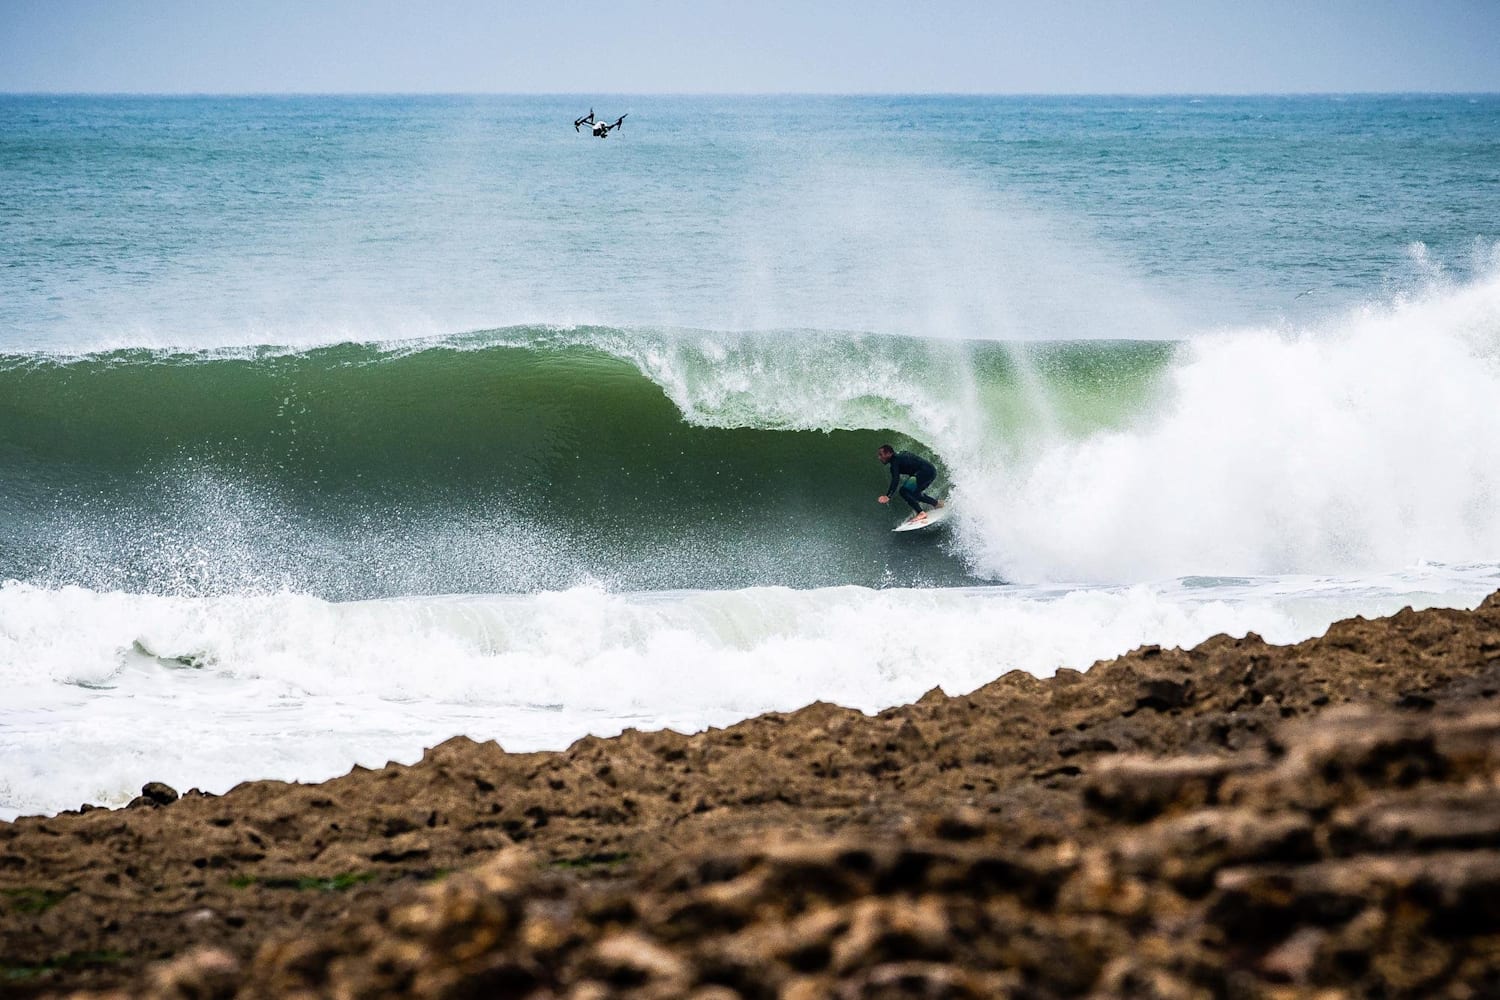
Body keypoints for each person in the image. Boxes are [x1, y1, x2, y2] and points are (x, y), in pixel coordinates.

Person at [876, 444, 943, 523]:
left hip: (924, 472)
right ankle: (937, 504)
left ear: (888, 453)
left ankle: (921, 513)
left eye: (881, 455)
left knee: (903, 491)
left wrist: (888, 496)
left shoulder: (895, 462)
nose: (879, 457)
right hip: (931, 470)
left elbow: (895, 479)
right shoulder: (900, 456)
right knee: (914, 493)